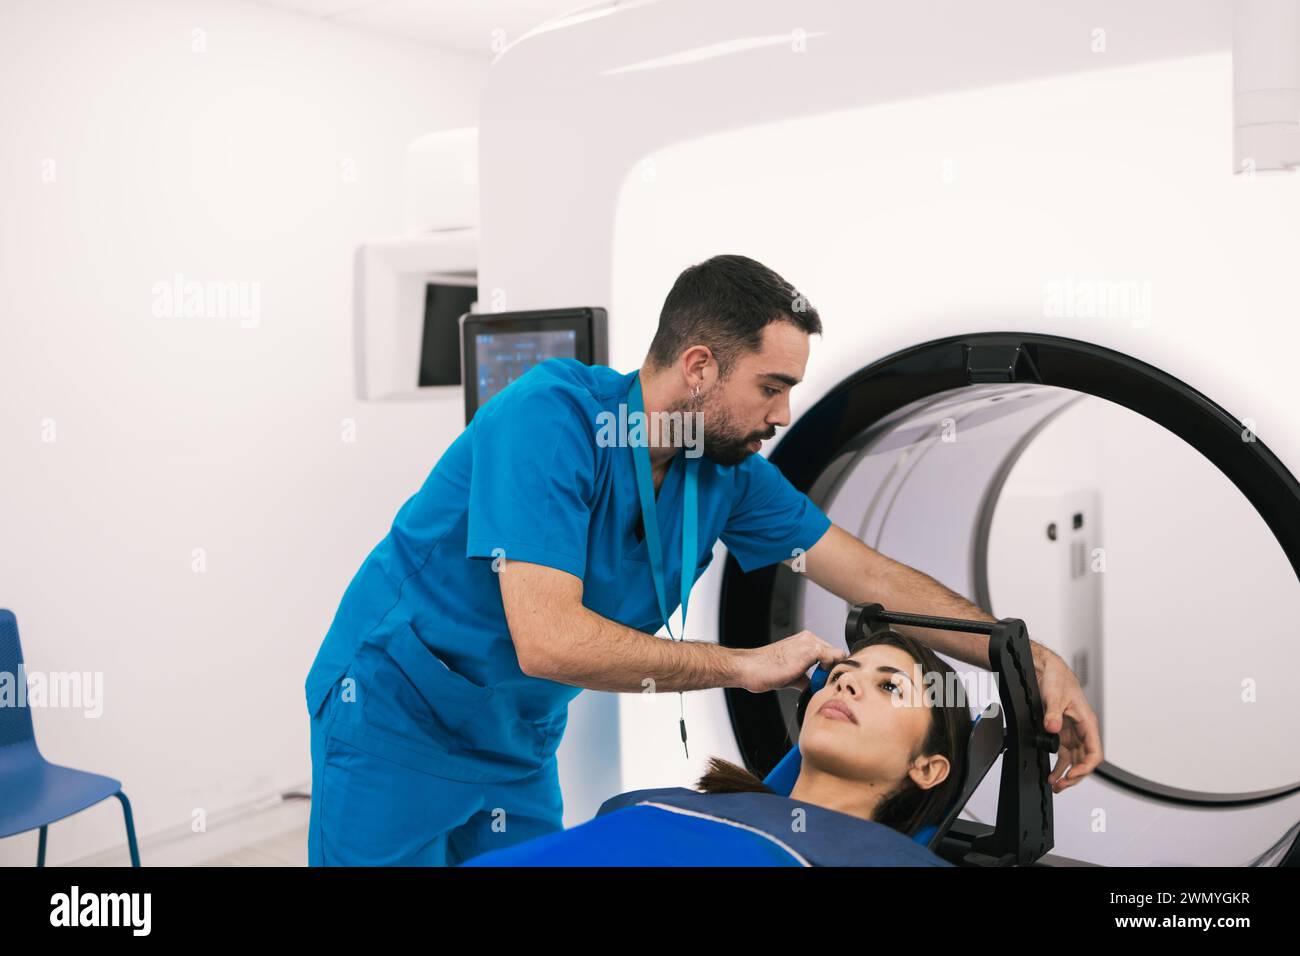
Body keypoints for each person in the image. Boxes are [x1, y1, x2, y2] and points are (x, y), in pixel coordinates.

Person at [304, 253, 1102, 866]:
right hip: (395, 716)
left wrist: (1026, 657)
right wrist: (743, 665)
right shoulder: (546, 422)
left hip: (516, 733)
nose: (784, 415)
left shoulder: (725, 476)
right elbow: (547, 639)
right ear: (699, 367)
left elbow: (873, 579)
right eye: (772, 386)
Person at [460, 629, 974, 867]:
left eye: (889, 687)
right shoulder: (670, 801)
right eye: (840, 675)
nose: (844, 686)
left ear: (927, 769)